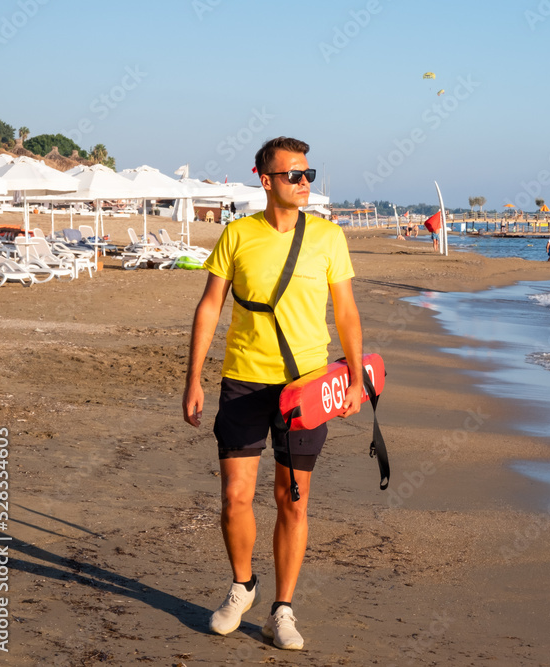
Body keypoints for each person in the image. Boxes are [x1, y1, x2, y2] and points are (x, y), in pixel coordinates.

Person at [182, 137, 364, 651]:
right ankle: (243, 586)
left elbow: (346, 312)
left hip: (306, 388)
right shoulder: (238, 235)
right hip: (243, 382)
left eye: (308, 174)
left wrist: (353, 377)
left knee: (292, 501)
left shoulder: (329, 237)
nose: (304, 183)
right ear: (265, 180)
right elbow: (210, 306)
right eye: (293, 175)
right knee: (235, 497)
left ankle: (281, 610)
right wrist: (193, 378)